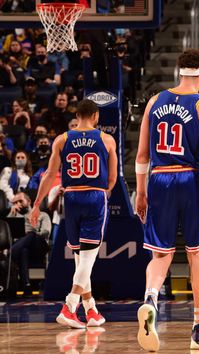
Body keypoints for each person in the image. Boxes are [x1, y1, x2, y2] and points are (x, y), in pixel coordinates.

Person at [135, 49, 199, 351]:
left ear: (179, 71)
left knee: (160, 255)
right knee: (198, 254)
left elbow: (142, 155)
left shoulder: (153, 102)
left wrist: (142, 191)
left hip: (159, 179)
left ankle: (150, 298)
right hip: (191, 178)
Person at [30, 99, 117, 328]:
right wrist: (102, 194)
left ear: (76, 116)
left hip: (71, 198)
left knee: (80, 259)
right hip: (94, 196)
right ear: (96, 116)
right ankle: (70, 306)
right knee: (88, 259)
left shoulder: (62, 139)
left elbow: (49, 174)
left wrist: (37, 203)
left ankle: (91, 310)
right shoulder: (107, 139)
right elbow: (112, 179)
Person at [8, 192, 51, 294]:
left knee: (30, 235)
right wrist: (11, 214)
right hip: (22, 248)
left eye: (20, 201)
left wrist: (33, 231)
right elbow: (8, 235)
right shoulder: (14, 215)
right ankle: (26, 284)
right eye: (15, 202)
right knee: (24, 250)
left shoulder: (42, 214)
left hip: (38, 246)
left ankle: (11, 253)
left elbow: (46, 232)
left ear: (29, 201)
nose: (18, 204)